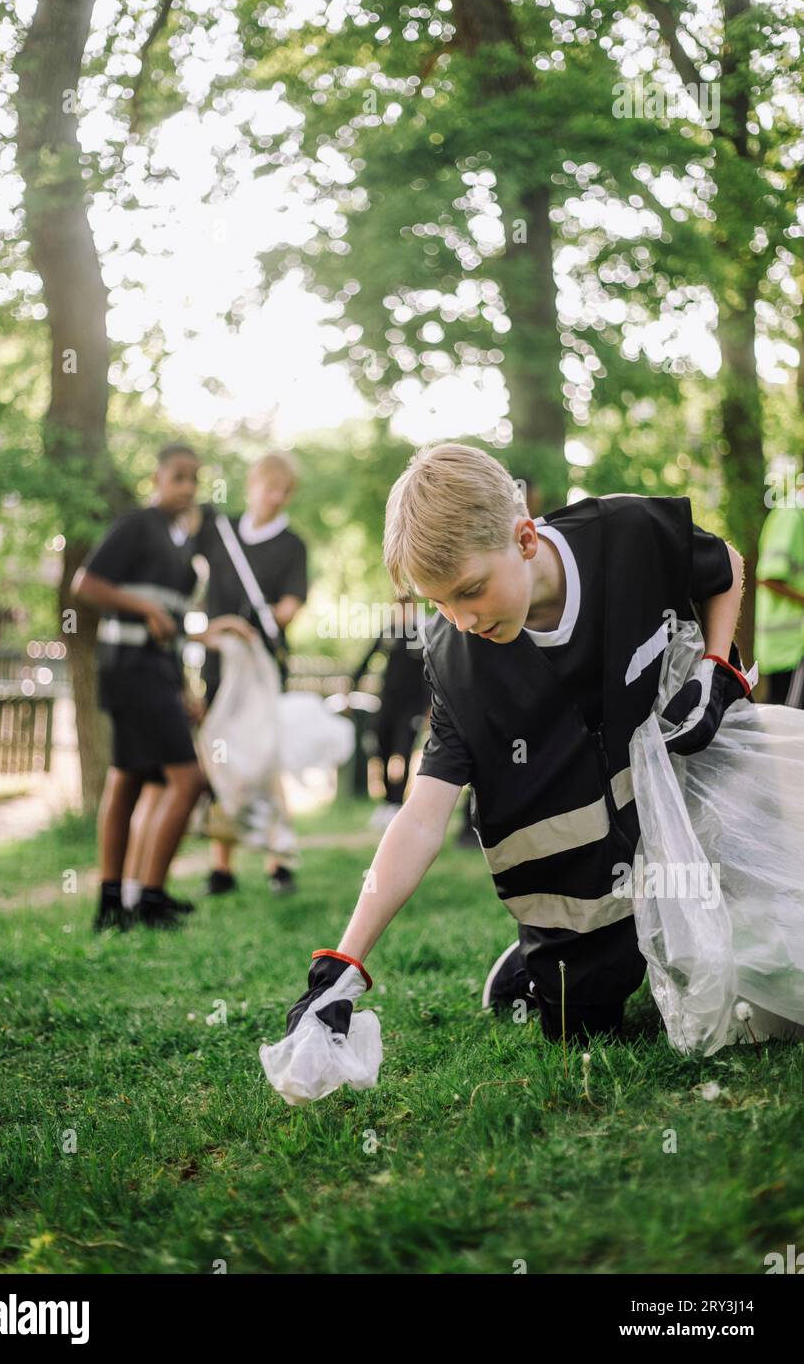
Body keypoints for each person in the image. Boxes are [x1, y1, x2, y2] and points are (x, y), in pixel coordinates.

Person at [281, 443, 754, 1047]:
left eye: (470, 590)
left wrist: (717, 666)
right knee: (583, 1031)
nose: (461, 619)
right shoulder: (455, 659)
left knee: (757, 979)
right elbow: (424, 816)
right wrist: (347, 962)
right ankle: (539, 965)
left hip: (683, 788)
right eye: (438, 602)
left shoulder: (629, 531)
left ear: (526, 539)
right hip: (571, 872)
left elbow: (725, 567)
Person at [71, 443, 234, 932]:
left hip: (159, 672)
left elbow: (175, 625)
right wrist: (144, 610)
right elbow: (86, 584)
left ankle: (113, 902)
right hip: (129, 668)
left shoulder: (181, 547)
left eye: (194, 479)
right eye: (178, 477)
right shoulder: (137, 525)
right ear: (157, 477)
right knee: (187, 780)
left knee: (128, 777)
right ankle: (151, 898)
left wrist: (185, 683)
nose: (186, 488)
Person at [196, 451, 308, 896]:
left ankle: (278, 859)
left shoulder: (292, 545)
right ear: (254, 483)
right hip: (220, 667)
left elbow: (290, 605)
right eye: (269, 485)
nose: (275, 496)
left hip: (262, 668)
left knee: (264, 762)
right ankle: (221, 867)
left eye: (284, 490)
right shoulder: (220, 532)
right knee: (222, 761)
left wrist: (261, 625)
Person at [351, 599, 431, 831]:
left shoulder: (421, 634)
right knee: (380, 749)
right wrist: (351, 686)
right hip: (388, 704)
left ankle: (397, 804)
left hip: (412, 707)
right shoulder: (389, 631)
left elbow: (430, 672)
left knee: (402, 751)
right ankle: (386, 801)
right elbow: (368, 658)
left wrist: (428, 707)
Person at [755, 499, 804, 707]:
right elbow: (769, 577)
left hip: (790, 646)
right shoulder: (791, 515)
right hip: (791, 646)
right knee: (790, 725)